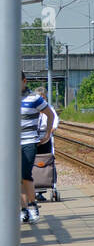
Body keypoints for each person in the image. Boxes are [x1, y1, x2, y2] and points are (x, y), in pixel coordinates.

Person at [20, 72, 53, 223]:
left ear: (24, 81)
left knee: (25, 174)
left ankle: (32, 206)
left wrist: (47, 133)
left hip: (28, 141)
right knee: (15, 177)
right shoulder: (5, 96)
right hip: (9, 143)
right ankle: (23, 208)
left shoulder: (34, 98)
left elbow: (49, 114)